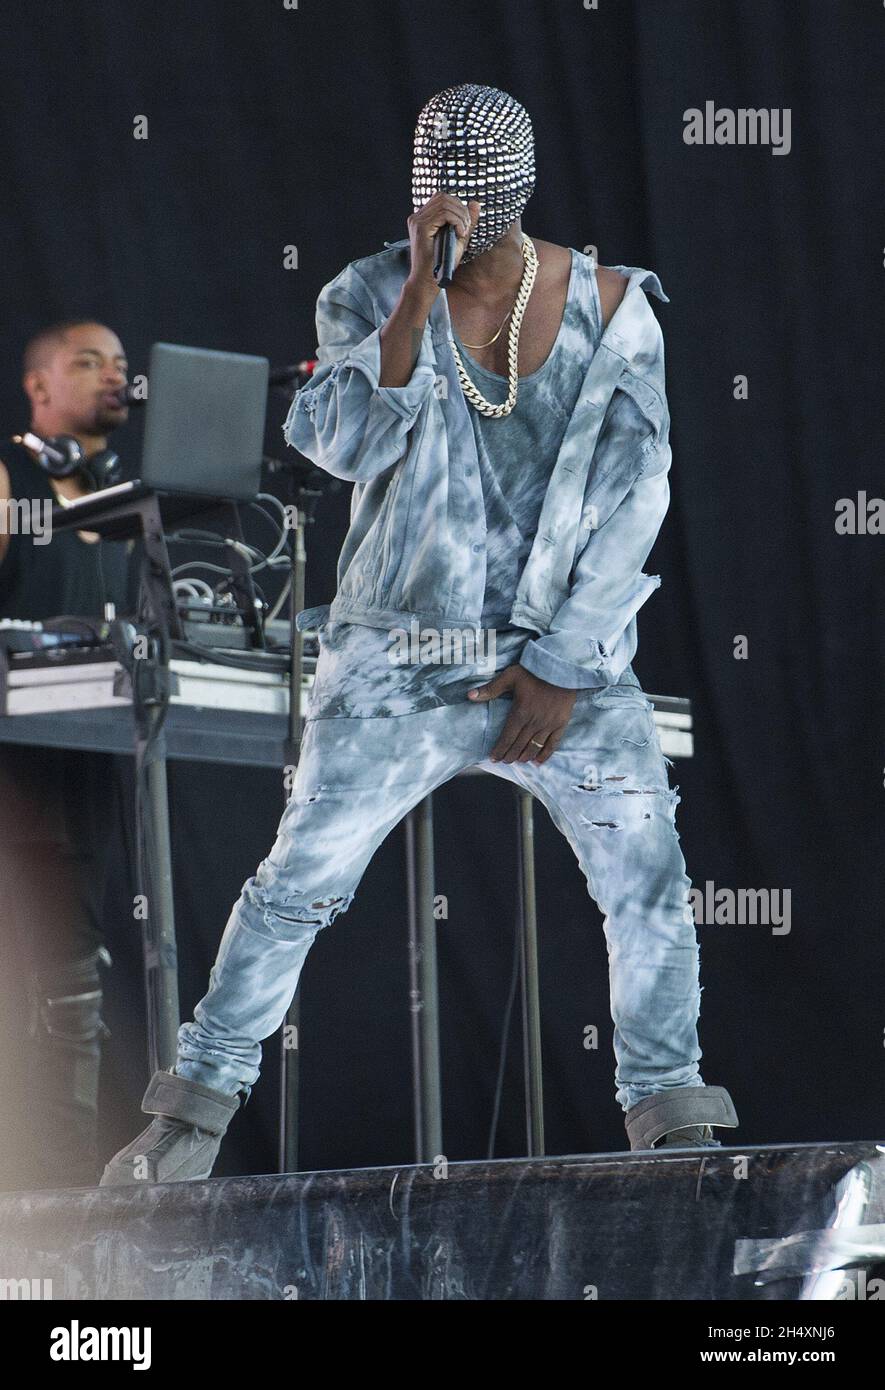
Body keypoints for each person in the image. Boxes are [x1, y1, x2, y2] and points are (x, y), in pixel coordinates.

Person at [101, 83, 738, 1186]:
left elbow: (640, 492)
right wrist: (416, 300)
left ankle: (674, 1121)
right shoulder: (367, 294)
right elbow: (342, 443)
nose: (455, 200)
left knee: (646, 881)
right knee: (294, 883)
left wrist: (557, 666)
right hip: (396, 656)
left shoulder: (616, 304)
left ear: (522, 184)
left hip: (565, 665)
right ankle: (192, 1117)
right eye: (436, 179)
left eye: (476, 181)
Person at [0, 320, 133, 1187]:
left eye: (122, 364)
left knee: (71, 1009)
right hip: (15, 796)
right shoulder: (12, 480)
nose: (114, 375)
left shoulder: (124, 503)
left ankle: (61, 1228)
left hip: (80, 799)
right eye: (89, 361)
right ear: (37, 387)